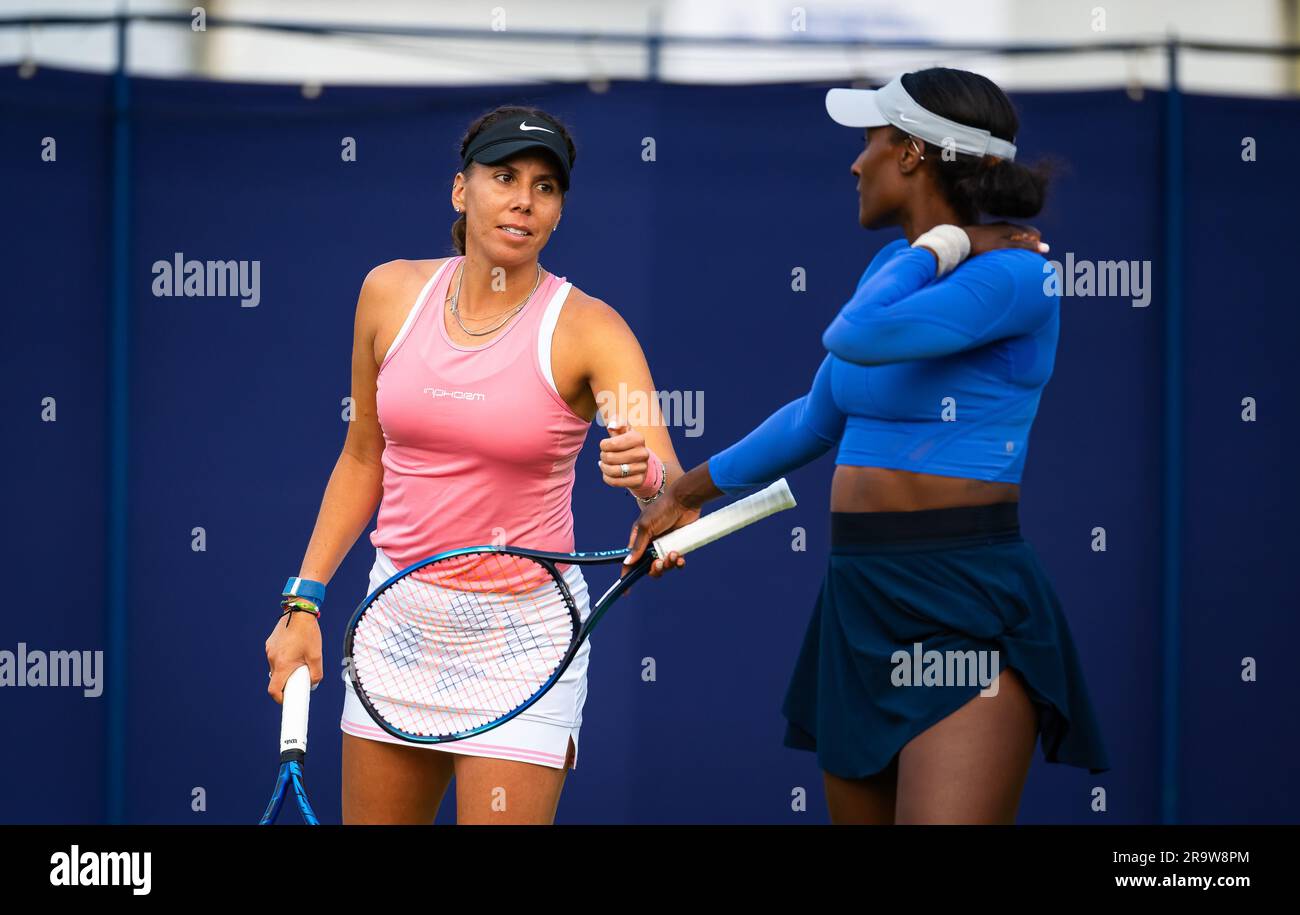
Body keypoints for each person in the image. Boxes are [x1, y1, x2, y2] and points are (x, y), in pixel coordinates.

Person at [624, 68, 1110, 824]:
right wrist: (683, 493)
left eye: (870, 142)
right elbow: (816, 416)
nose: (856, 163)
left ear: (913, 153)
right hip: (859, 599)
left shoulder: (1019, 276)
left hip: (965, 602)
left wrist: (946, 242)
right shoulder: (893, 268)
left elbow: (857, 334)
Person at [264, 105, 692, 825]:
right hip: (395, 624)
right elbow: (363, 452)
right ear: (462, 191)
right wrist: (302, 602)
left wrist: (644, 478)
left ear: (559, 210)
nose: (524, 199)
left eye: (546, 186)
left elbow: (673, 496)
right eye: (503, 177)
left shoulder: (590, 330)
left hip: (524, 646)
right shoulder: (388, 294)